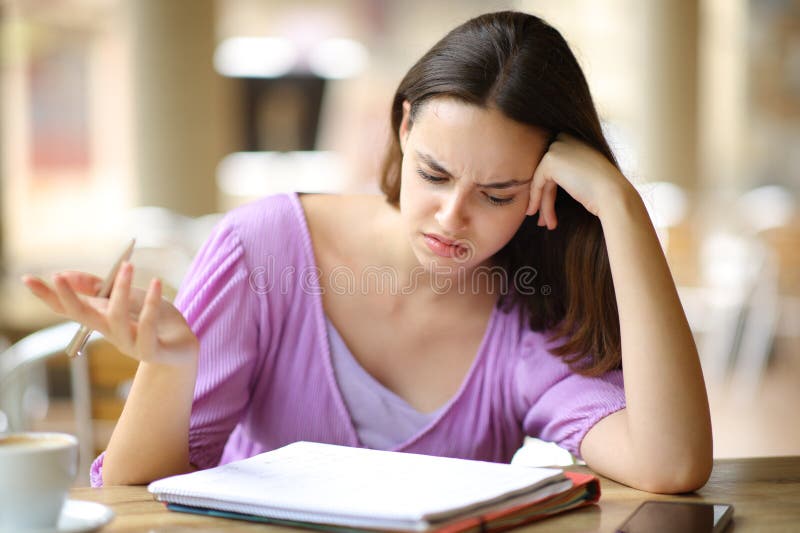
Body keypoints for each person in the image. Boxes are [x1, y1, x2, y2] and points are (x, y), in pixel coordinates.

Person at [22, 11, 712, 493]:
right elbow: (140, 494)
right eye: (435, 173)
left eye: (498, 194)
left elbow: (671, 461)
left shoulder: (525, 323)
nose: (451, 215)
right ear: (403, 125)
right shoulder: (263, 253)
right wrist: (170, 367)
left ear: (543, 192)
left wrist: (622, 205)